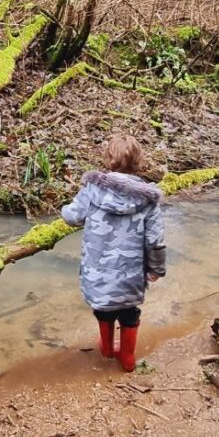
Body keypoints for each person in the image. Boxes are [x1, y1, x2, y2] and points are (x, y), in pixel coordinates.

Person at [60, 135, 166, 372]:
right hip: (131, 274)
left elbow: (72, 217)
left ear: (108, 159)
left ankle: (107, 349)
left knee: (103, 310)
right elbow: (155, 240)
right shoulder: (148, 198)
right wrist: (156, 269)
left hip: (98, 272)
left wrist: (63, 208)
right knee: (130, 313)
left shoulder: (92, 189)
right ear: (139, 162)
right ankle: (127, 358)